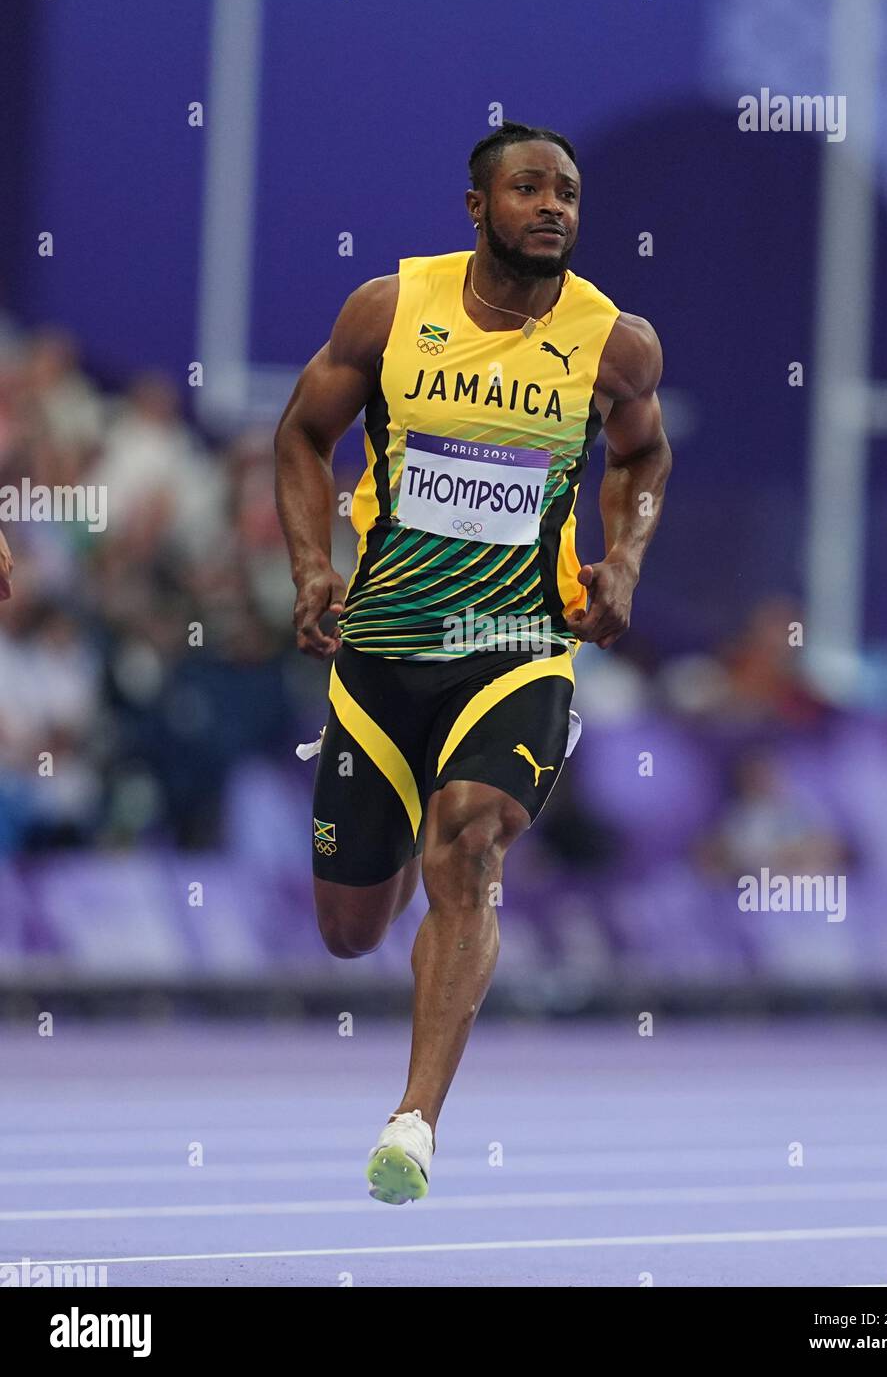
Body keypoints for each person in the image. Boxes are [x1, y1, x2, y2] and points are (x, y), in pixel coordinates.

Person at [274, 121, 672, 1204]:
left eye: (569, 194)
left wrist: (624, 560)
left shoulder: (613, 342)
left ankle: (414, 1121)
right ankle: (401, 817)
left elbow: (641, 456)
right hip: (382, 654)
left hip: (515, 650)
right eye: (529, 189)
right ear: (476, 207)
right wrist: (313, 567)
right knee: (352, 930)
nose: (553, 207)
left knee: (471, 843)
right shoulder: (390, 312)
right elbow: (301, 437)